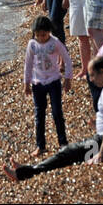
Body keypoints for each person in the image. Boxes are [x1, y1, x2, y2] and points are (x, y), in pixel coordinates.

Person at [3, 56, 103, 181]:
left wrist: (101, 154)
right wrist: (98, 124)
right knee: (72, 152)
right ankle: (28, 168)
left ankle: (24, 174)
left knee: (68, 153)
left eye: (92, 75)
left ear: (102, 72)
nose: (91, 80)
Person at [23, 15, 73, 155]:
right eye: (38, 35)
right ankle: (41, 145)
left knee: (57, 112)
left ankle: (63, 143)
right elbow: (28, 64)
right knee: (39, 114)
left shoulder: (55, 43)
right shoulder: (32, 44)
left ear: (49, 31)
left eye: (43, 34)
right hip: (37, 83)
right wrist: (26, 83)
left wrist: (68, 78)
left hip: (54, 81)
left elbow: (67, 60)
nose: (41, 37)